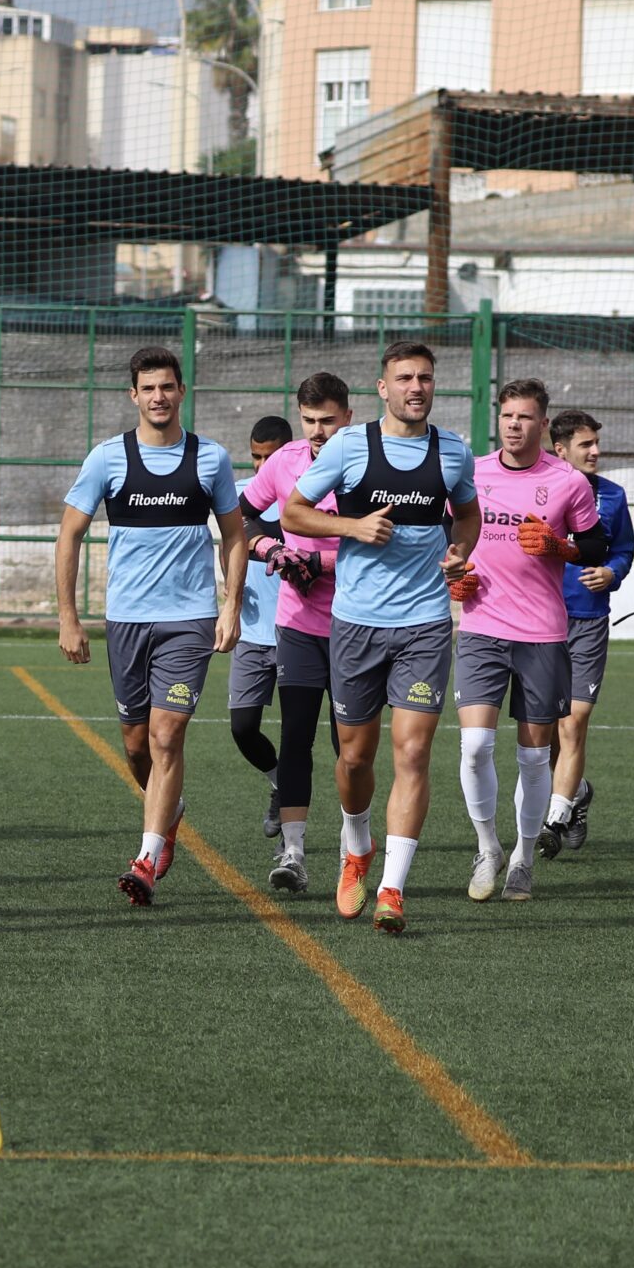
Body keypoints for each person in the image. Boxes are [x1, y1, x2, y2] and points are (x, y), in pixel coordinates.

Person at [286, 341, 481, 933]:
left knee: (414, 751)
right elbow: (294, 512)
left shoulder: (453, 451)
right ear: (382, 387)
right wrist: (351, 525)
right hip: (356, 623)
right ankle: (357, 846)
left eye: (425, 378)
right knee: (354, 757)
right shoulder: (348, 445)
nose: (416, 387)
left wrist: (459, 550)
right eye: (404, 378)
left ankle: (393, 887)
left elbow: (467, 514)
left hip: (424, 622)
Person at [53, 345, 243, 907]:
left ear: (182, 392)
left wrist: (231, 604)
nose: (159, 397)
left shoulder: (211, 458)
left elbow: (235, 534)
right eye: (149, 388)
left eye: (168, 386)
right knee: (138, 746)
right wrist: (69, 616)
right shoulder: (108, 459)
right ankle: (170, 809)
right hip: (126, 622)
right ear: (133, 395)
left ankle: (146, 857)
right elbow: (69, 535)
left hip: (189, 620)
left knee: (167, 735)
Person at [451, 380, 610, 904]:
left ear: (544, 425)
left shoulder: (568, 482)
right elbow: (448, 539)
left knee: (534, 756)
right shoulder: (471, 472)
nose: (514, 424)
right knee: (474, 747)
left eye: (525, 417)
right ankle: (486, 847)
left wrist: (561, 546)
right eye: (507, 415)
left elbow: (594, 545)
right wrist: (454, 574)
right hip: (479, 625)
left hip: (542, 633)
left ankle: (522, 857)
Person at [240, 375, 349, 896]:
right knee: (295, 738)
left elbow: (389, 541)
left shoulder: (371, 461)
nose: (318, 431)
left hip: (358, 626)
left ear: (348, 416)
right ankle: (295, 852)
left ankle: (355, 849)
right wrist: (274, 553)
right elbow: (242, 519)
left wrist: (317, 559)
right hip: (298, 627)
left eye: (327, 420)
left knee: (350, 748)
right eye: (309, 421)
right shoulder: (284, 461)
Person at [540, 408, 630, 859]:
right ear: (560, 449)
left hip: (589, 622)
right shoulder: (540, 490)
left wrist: (612, 572)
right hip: (538, 621)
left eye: (597, 442)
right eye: (585, 444)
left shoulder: (612, 495)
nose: (596, 451)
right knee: (546, 731)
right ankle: (575, 795)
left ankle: (553, 822)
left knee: (573, 723)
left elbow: (625, 549)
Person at [228, 416, 293, 844]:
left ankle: (300, 838)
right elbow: (227, 545)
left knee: (298, 730)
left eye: (270, 456)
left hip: (298, 632)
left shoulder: (304, 496)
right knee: (243, 727)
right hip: (251, 634)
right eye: (255, 456)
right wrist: (232, 593)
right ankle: (278, 782)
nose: (261, 465)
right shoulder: (239, 498)